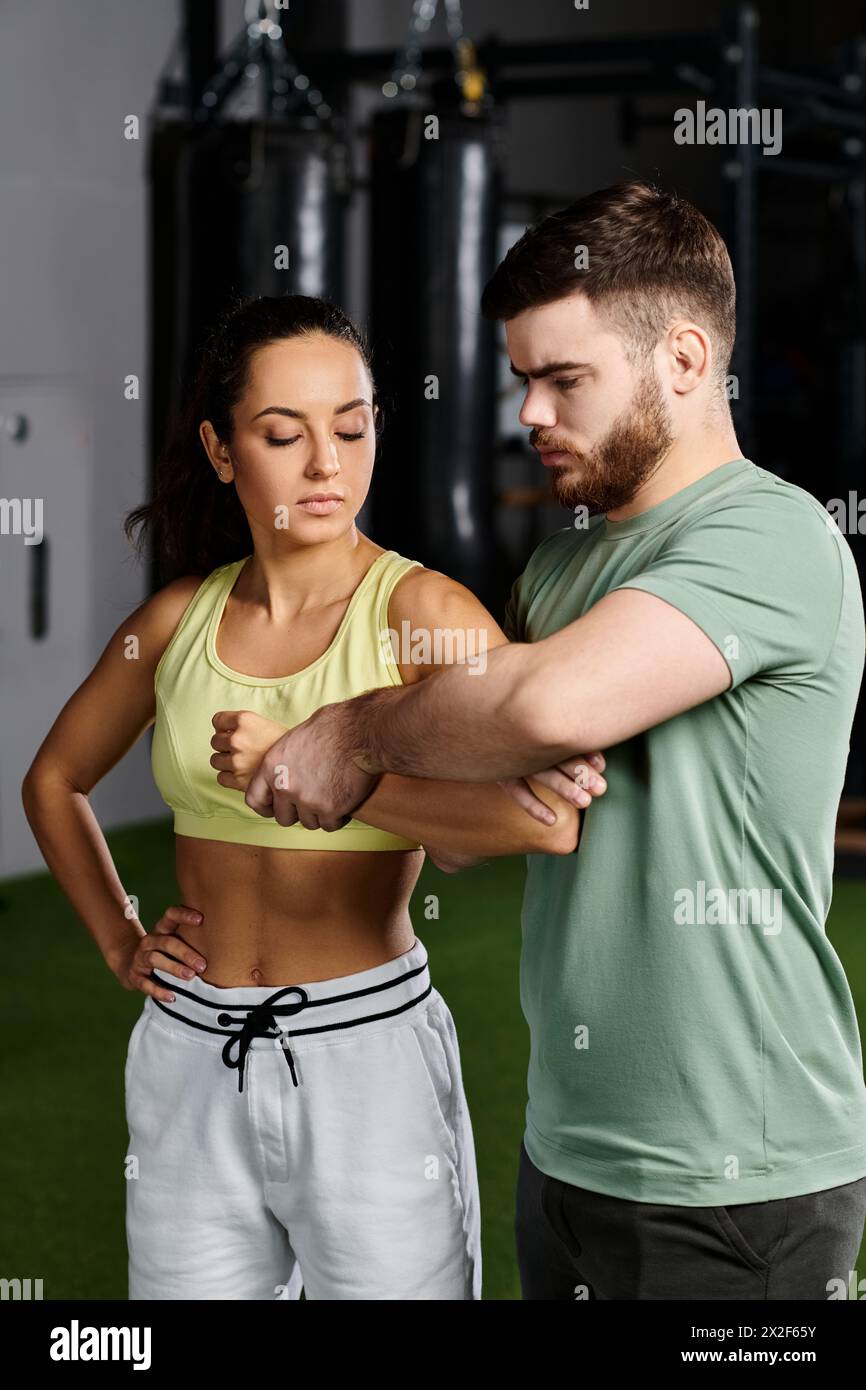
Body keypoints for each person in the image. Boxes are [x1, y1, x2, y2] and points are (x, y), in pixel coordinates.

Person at [240, 183, 866, 1301]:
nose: (528, 411)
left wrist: (352, 731)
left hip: (735, 1170)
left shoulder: (770, 534)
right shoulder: (559, 568)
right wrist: (384, 767)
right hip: (570, 1146)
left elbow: (538, 711)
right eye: (522, 378)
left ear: (681, 359)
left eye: (562, 378)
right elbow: (497, 822)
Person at [20, 292, 607, 1301]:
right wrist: (122, 938)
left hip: (364, 1051)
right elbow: (54, 779)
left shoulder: (418, 611)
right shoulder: (173, 620)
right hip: (190, 1049)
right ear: (220, 449)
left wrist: (330, 775)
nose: (327, 464)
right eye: (283, 434)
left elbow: (540, 815)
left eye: (352, 426)